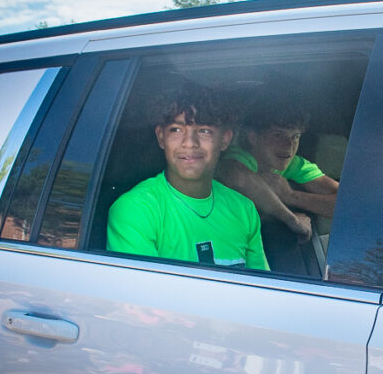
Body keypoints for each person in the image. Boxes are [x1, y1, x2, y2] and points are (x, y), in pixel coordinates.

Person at [107, 82, 268, 270]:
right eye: (176, 129)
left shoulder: (243, 209)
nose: (189, 143)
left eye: (204, 131)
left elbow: (262, 291)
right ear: (161, 137)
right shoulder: (136, 209)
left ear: (225, 139)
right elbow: (143, 297)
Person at [217, 98, 338, 242]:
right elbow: (238, 177)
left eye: (295, 136)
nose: (288, 145)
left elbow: (347, 204)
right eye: (278, 135)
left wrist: (291, 196)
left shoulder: (294, 164)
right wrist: (292, 220)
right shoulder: (239, 158)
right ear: (253, 137)